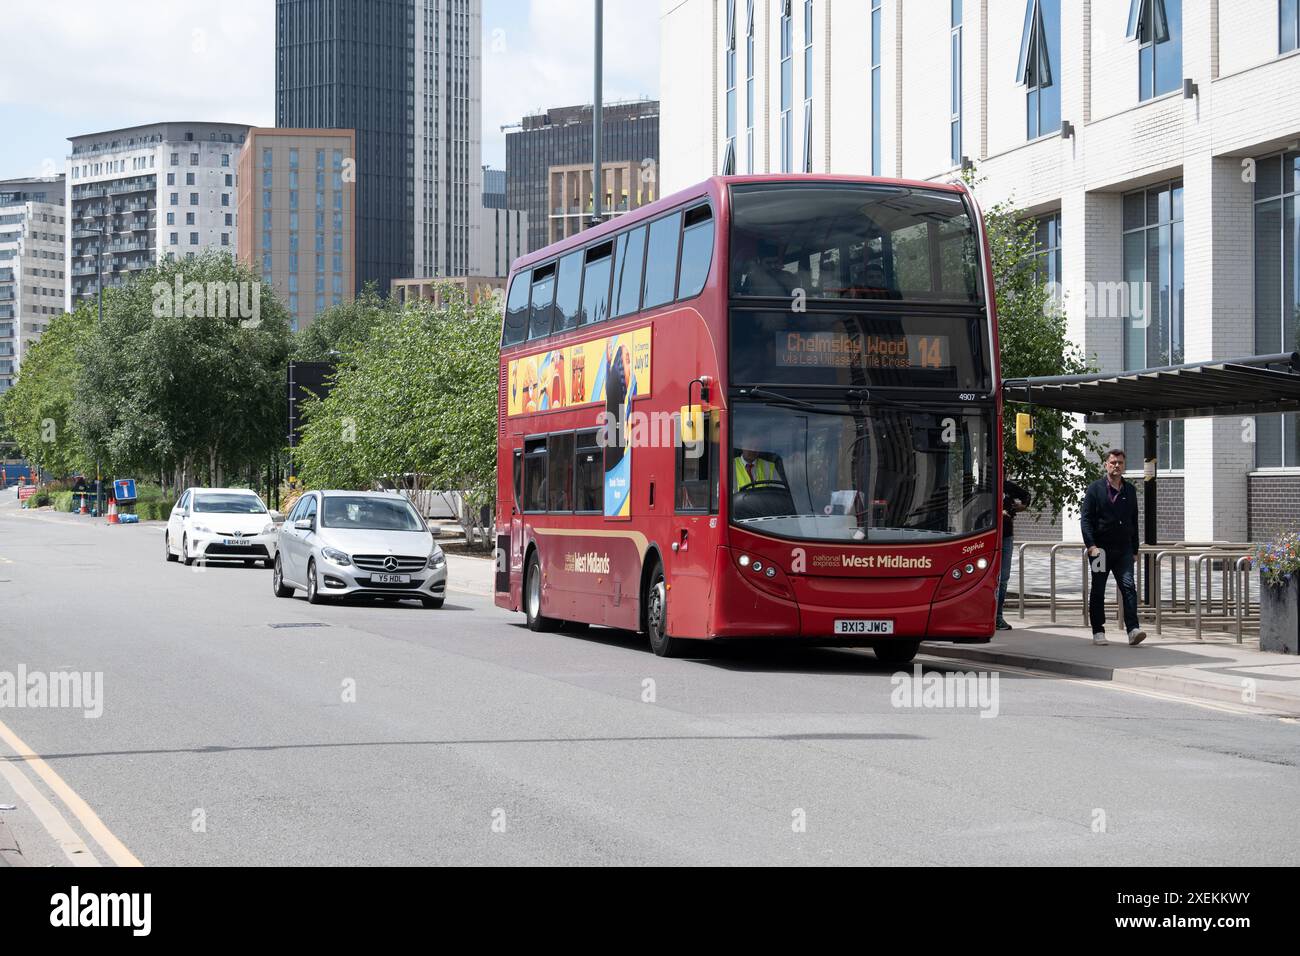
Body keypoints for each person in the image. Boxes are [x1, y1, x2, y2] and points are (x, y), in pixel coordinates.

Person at [1079, 448, 1146, 647]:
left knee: (1129, 587)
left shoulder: (1130, 490)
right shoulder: (1095, 489)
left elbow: (1134, 520)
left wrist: (1134, 549)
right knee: (1098, 589)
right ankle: (1098, 631)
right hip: (1101, 550)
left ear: (1124, 466)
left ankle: (1133, 629)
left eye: (1120, 463)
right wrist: (1091, 546)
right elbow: (1086, 520)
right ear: (1106, 465)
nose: (1116, 466)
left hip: (1123, 550)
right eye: (1113, 462)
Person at [997, 478, 1032, 630]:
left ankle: (997, 616)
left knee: (1003, 578)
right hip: (985, 533)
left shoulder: (1006, 486)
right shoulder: (983, 484)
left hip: (1005, 535)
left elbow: (1026, 497)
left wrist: (1014, 510)